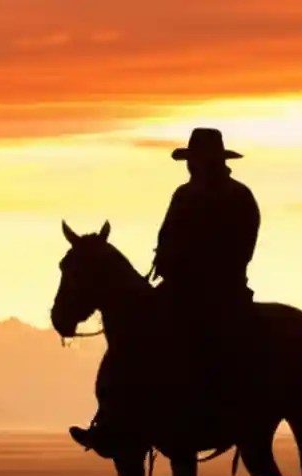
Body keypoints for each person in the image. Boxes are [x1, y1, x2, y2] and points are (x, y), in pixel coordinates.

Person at [70, 128, 261, 456]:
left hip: (218, 290)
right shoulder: (190, 195)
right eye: (191, 161)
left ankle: (189, 412)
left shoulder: (231, 197)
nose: (191, 167)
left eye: (195, 161)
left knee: (167, 342)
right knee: (133, 335)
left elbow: (239, 246)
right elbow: (168, 237)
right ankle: (113, 419)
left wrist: (192, 267)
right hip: (187, 287)